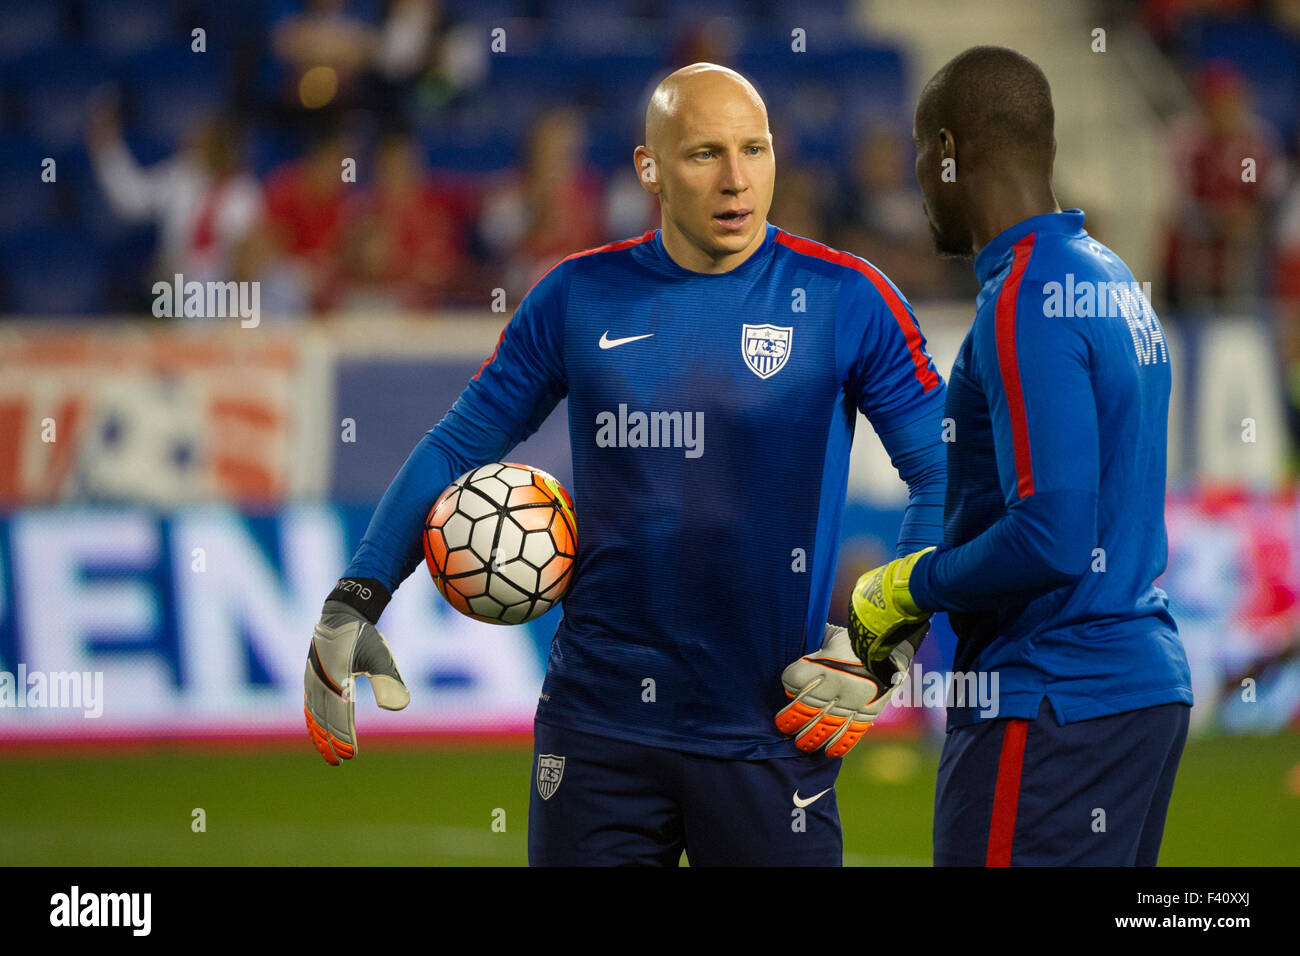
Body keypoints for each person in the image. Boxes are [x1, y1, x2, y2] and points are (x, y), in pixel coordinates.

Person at [303, 63, 947, 866]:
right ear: (650, 170)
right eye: (705, 154)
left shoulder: (849, 299)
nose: (739, 179)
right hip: (596, 731)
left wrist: (884, 643)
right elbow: (459, 444)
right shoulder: (579, 296)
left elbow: (945, 474)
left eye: (756, 149)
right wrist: (356, 597)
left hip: (773, 729)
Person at [851, 46, 1193, 866]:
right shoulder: (1109, 278)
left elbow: (1052, 534)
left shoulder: (1024, 300)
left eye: (918, 153)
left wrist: (909, 583)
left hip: (1048, 700)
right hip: (1135, 693)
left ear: (947, 151)